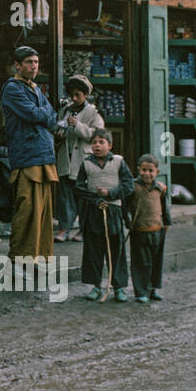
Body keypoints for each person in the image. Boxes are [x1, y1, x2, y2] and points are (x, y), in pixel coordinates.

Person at [1, 46, 58, 261]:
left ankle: (39, 258)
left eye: (35, 62)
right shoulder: (13, 88)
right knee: (28, 210)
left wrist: (44, 115)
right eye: (28, 62)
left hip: (44, 154)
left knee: (43, 213)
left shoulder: (35, 88)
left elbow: (50, 117)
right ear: (17, 65)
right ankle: (20, 259)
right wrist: (45, 114)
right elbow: (36, 114)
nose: (34, 66)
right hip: (27, 156)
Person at [75, 129, 134, 302]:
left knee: (116, 251)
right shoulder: (86, 164)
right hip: (93, 213)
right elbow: (79, 188)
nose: (97, 145)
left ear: (110, 145)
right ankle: (95, 287)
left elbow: (128, 185)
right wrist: (95, 200)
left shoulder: (118, 162)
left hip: (114, 211)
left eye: (101, 142)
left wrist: (110, 193)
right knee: (94, 251)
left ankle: (119, 287)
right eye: (94, 142)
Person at [53, 75, 104, 242]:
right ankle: (64, 228)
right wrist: (59, 133)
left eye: (78, 95)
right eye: (72, 95)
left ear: (86, 95)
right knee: (65, 195)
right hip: (65, 158)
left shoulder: (93, 112)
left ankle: (83, 229)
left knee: (83, 197)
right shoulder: (65, 109)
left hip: (83, 159)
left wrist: (78, 126)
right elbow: (59, 128)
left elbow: (96, 136)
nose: (74, 98)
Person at [126, 153, 172, 303]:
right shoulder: (132, 186)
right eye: (144, 170)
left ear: (157, 172)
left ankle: (153, 289)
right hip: (139, 231)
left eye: (150, 171)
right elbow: (124, 207)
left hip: (157, 230)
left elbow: (165, 208)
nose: (147, 174)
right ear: (138, 170)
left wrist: (167, 223)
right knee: (141, 263)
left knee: (156, 261)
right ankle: (140, 292)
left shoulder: (161, 188)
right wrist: (128, 222)